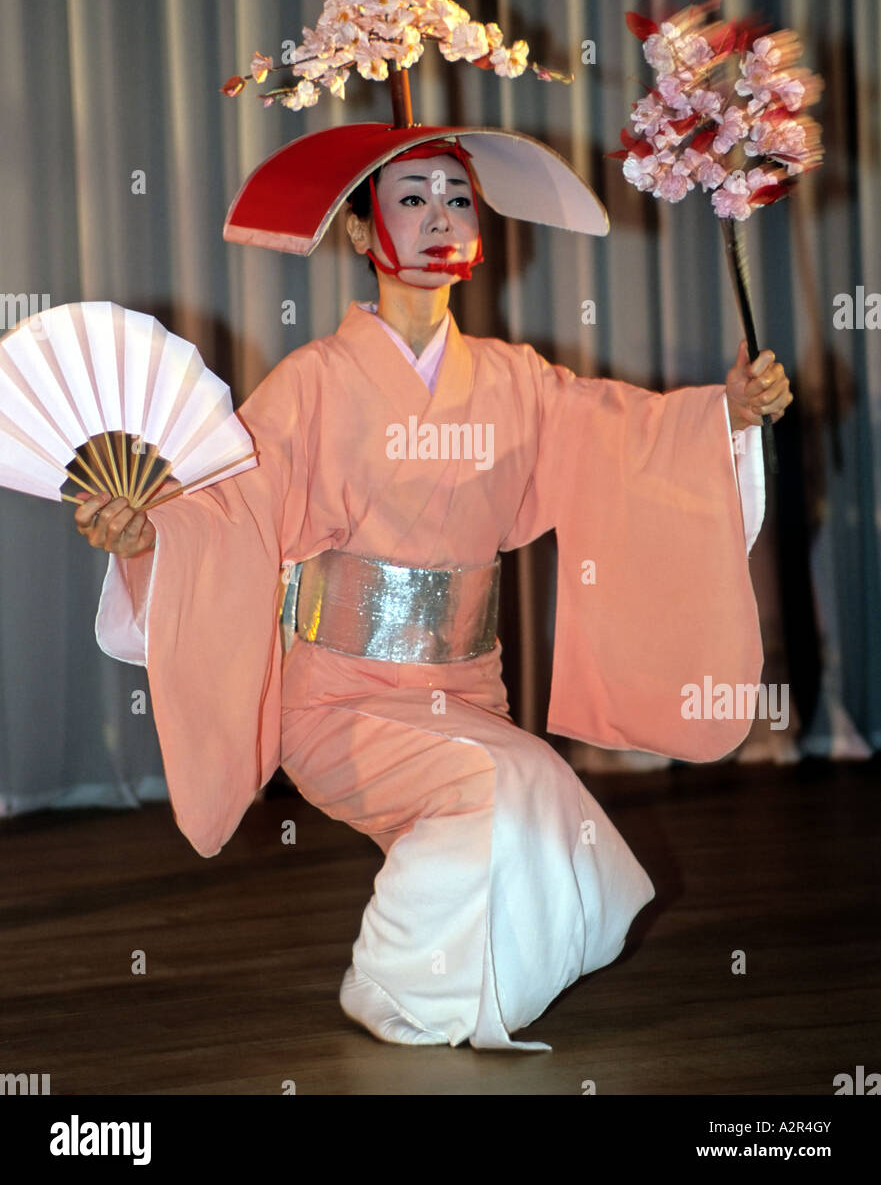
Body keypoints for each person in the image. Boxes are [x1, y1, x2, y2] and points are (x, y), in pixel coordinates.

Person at [72, 137, 791, 1052]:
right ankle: (393, 984)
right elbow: (229, 509)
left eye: (458, 194)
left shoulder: (515, 380)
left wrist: (723, 410)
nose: (440, 211)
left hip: (464, 691)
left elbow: (625, 437)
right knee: (495, 787)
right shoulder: (314, 385)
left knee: (545, 804)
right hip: (337, 696)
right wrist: (150, 532)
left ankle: (464, 989)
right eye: (412, 196)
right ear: (367, 227)